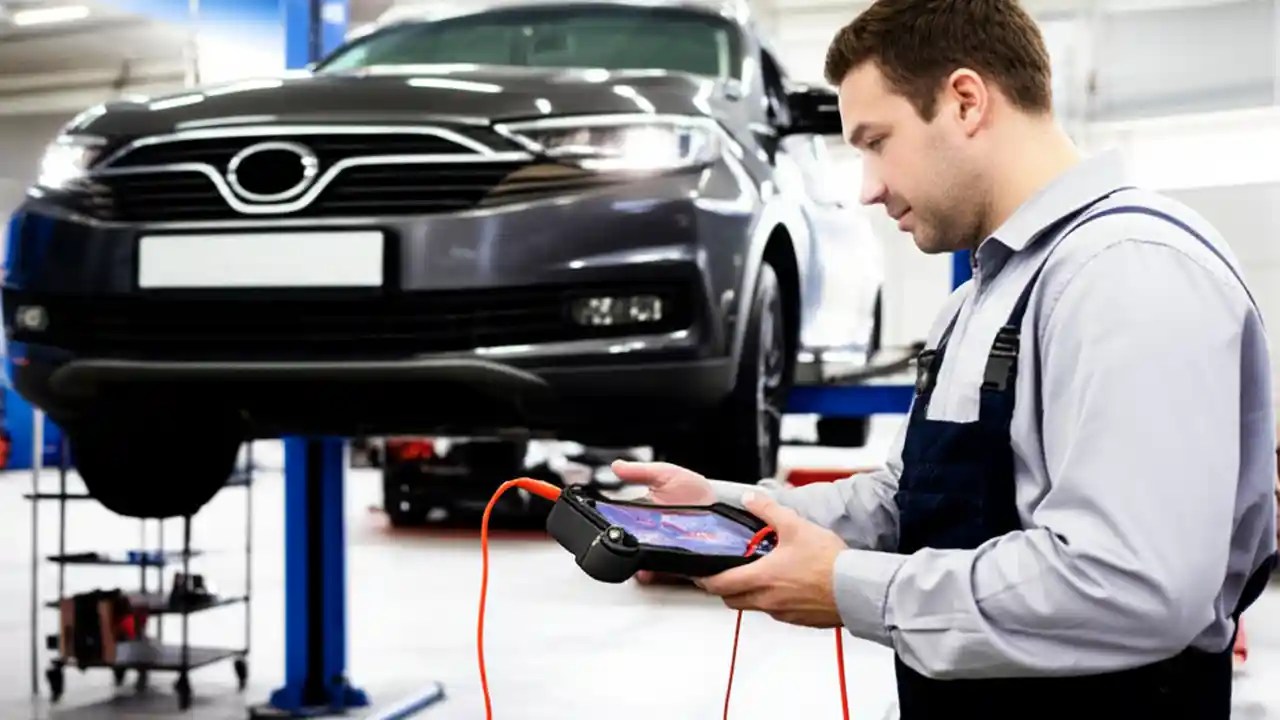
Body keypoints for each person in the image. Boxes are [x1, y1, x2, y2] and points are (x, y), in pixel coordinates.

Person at [611, 0, 1278, 717]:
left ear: (965, 101)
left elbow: (1132, 584)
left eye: (876, 142)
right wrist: (726, 512)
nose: (867, 188)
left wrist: (848, 587)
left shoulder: (1127, 272)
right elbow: (907, 502)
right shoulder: (981, 297)